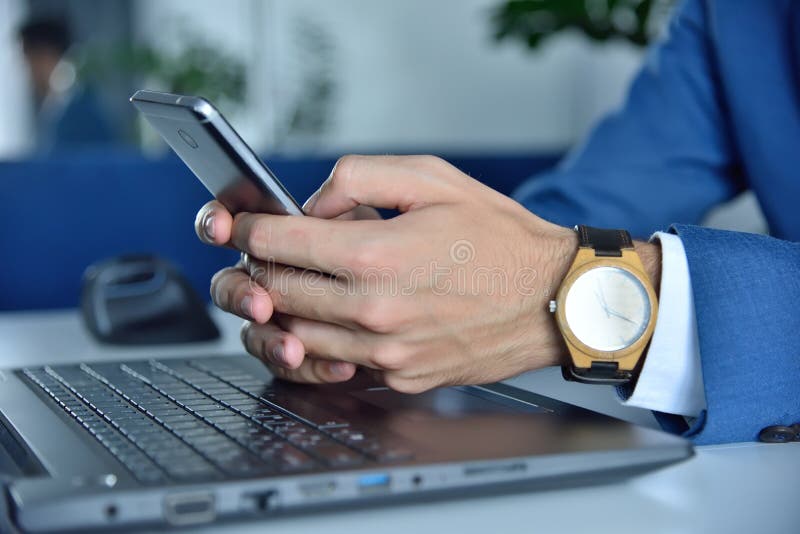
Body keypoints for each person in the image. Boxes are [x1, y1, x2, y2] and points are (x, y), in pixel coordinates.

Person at [193, 0, 800, 446]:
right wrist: (398, 276)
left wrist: (560, 290)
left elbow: (544, 266)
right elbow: (576, 214)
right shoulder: (737, 15)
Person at [18, 17, 114, 154]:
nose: (24, 70)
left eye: (26, 59)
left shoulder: (78, 110)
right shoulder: (57, 106)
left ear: (44, 55)